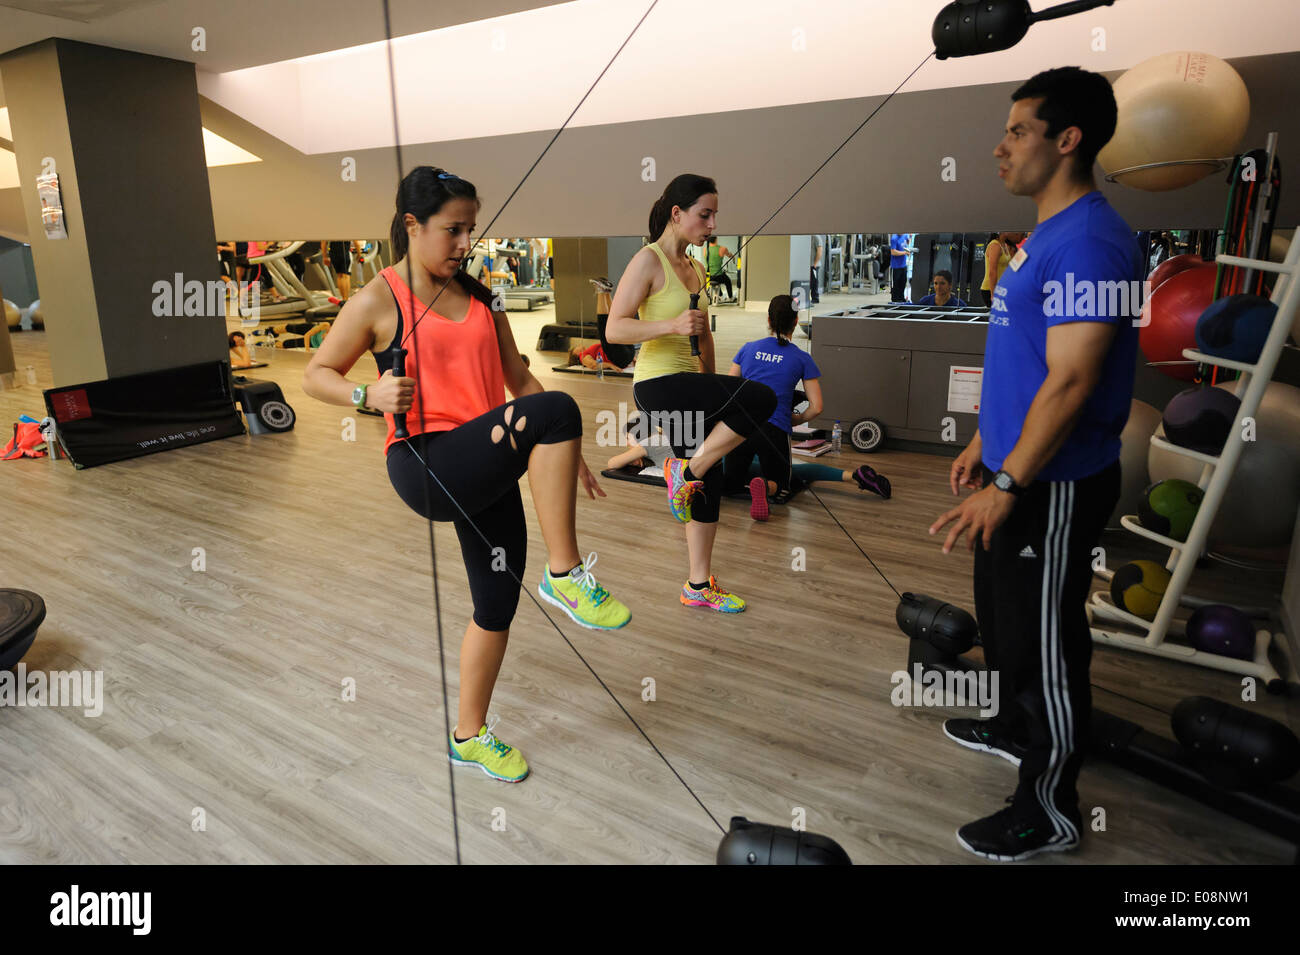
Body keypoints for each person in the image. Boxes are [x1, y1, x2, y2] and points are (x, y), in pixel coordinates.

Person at [303, 166, 631, 784]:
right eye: (452, 230)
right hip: (426, 462)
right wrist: (366, 397)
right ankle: (563, 576)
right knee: (560, 405)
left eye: (471, 231)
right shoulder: (379, 299)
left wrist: (567, 448)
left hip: (483, 460)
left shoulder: (482, 297)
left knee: (497, 601)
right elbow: (315, 373)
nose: (464, 244)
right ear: (411, 225)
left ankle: (467, 735)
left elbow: (518, 379)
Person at [929, 66, 1143, 862]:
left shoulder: (1090, 239)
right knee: (1010, 620)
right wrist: (989, 443)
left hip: (1051, 482)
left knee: (1049, 638)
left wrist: (1012, 479)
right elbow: (1029, 359)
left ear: (1068, 139)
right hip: (1017, 465)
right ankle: (1016, 725)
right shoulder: (1044, 238)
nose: (1001, 146)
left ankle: (1051, 807)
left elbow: (1075, 379)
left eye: (1018, 131)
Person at [606, 173, 777, 613]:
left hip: (691, 384)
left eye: (715, 215)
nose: (713, 224)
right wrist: (670, 325)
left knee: (710, 479)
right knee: (762, 399)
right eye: (705, 214)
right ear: (677, 214)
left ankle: (697, 584)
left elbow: (702, 337)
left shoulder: (697, 269)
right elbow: (615, 328)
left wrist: (715, 383)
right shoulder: (647, 262)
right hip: (657, 385)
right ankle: (684, 470)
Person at [723, 295, 890, 519]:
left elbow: (729, 392)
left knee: (730, 485)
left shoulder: (748, 348)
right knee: (782, 485)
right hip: (774, 429)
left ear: (769, 320)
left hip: (740, 428)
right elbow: (817, 407)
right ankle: (767, 486)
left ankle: (748, 485)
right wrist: (796, 419)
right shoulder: (802, 358)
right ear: (796, 321)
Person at [979, 231, 1024, 307]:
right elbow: (992, 272)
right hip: (989, 289)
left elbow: (1014, 266)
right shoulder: (995, 245)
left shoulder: (1005, 245)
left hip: (1001, 289)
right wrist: (993, 294)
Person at [705, 235, 734, 302]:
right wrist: (732, 256)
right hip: (718, 276)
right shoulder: (723, 248)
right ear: (716, 238)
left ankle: (720, 295)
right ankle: (730, 297)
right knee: (728, 281)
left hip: (708, 276)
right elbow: (730, 255)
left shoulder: (705, 249)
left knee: (717, 281)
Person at [888, 233, 913, 302]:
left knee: (903, 283)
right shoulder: (894, 238)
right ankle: (895, 300)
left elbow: (907, 242)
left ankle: (901, 299)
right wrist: (904, 253)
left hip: (903, 264)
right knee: (896, 284)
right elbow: (893, 252)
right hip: (896, 266)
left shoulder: (905, 235)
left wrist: (909, 239)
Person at [809, 234, 824, 305]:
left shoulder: (816, 237)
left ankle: (815, 298)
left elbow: (820, 251)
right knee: (809, 282)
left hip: (814, 265)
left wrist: (815, 263)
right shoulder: (807, 237)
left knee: (814, 282)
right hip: (807, 265)